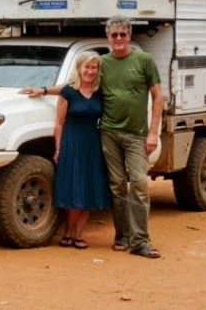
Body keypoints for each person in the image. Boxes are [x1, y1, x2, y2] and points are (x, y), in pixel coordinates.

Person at [22, 15, 164, 259]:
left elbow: (158, 97)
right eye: (114, 34)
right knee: (117, 186)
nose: (118, 38)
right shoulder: (103, 63)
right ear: (108, 37)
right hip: (108, 133)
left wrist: (152, 132)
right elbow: (76, 84)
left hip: (136, 135)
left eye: (123, 34)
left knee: (139, 184)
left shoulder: (144, 61)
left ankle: (141, 240)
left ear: (129, 36)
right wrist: (44, 90)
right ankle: (122, 236)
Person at [52, 50, 111, 249]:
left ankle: (78, 234)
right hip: (72, 141)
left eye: (94, 67)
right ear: (79, 68)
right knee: (74, 189)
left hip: (92, 142)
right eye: (87, 67)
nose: (90, 71)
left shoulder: (100, 91)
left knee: (88, 188)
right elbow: (59, 123)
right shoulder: (68, 91)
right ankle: (68, 231)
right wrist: (58, 148)